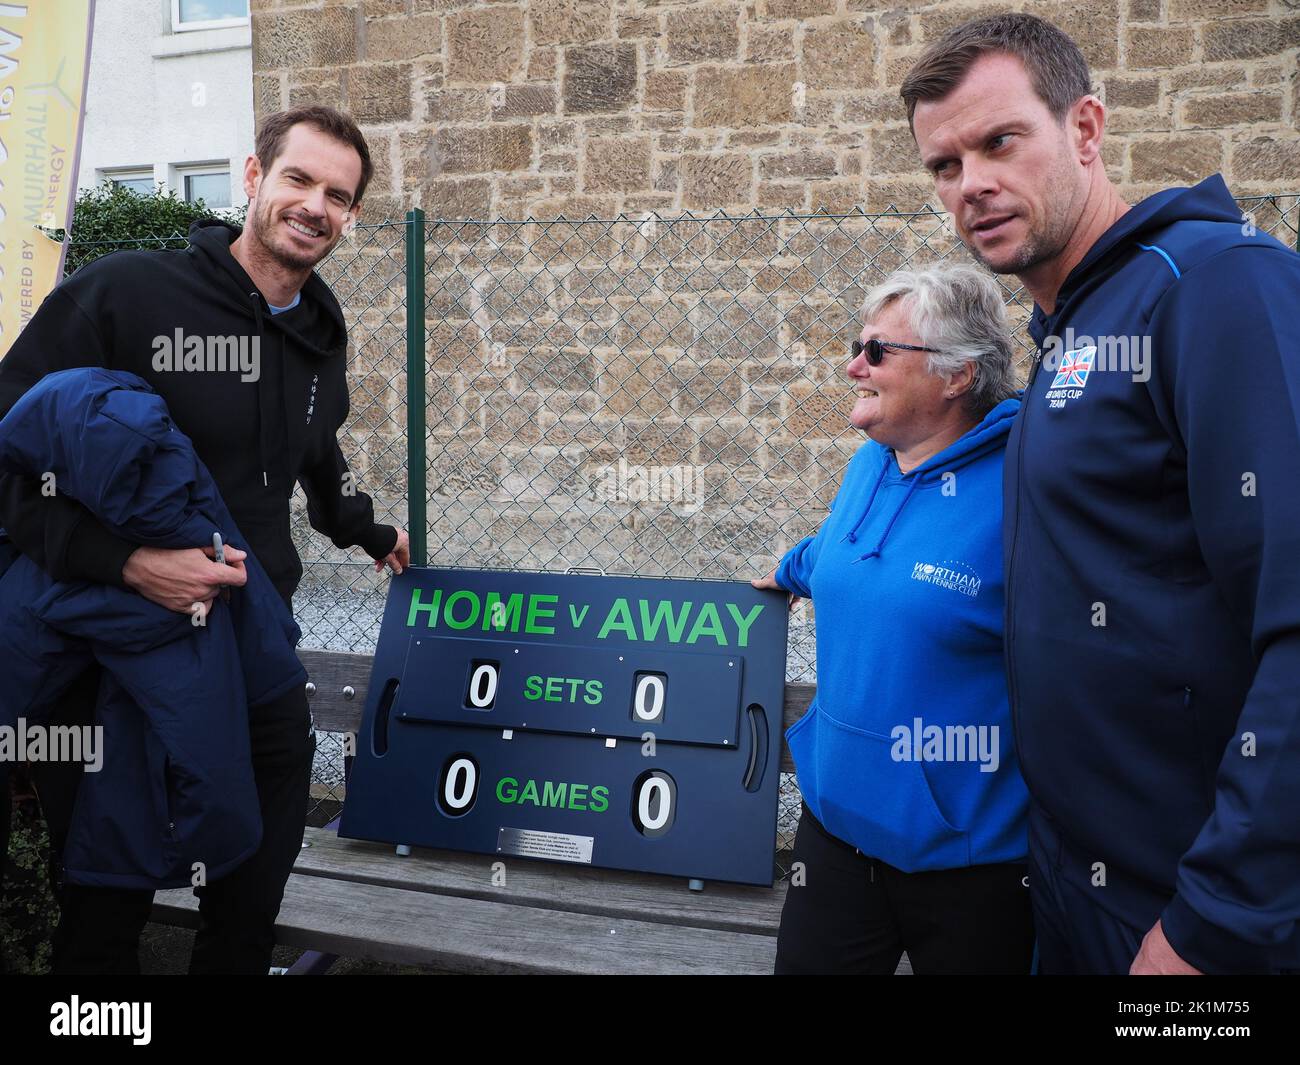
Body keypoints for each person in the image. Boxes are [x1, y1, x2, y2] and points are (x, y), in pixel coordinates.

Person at [903, 13, 1300, 974]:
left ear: (1085, 129)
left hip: (1189, 929)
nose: (972, 186)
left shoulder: (1215, 288)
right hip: (1072, 896)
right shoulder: (1071, 329)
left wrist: (1215, 924)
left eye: (1000, 142)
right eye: (945, 166)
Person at [0, 104, 410, 974]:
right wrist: (128, 563)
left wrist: (363, 527)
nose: (315, 205)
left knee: (248, 905)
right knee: (103, 920)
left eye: (337, 195)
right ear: (254, 178)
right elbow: (9, 459)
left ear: (352, 216)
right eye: (298, 179)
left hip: (254, 656)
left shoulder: (318, 336)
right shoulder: (123, 295)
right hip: (115, 663)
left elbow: (314, 447)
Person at [755, 262, 1030, 975]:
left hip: (973, 862)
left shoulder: (1030, 485)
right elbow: (842, 555)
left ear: (956, 375)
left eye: (877, 352)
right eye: (858, 344)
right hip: (837, 837)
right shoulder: (871, 463)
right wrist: (788, 571)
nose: (853, 367)